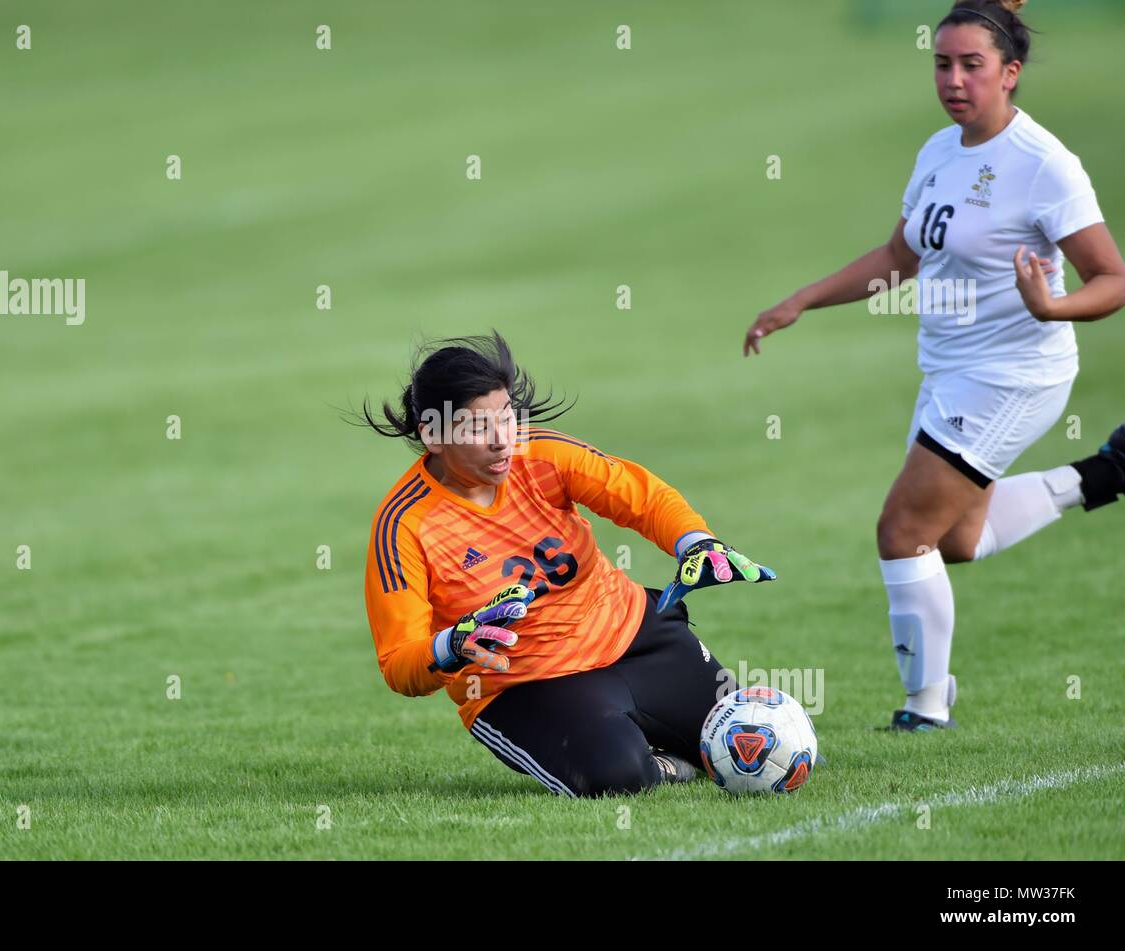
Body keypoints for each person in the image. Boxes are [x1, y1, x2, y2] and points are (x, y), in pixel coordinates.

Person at [743, 0, 1125, 730]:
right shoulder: (939, 151)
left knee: (901, 529)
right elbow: (898, 258)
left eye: (971, 65)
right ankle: (1107, 473)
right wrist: (802, 300)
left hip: (1015, 372)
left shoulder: (1045, 165)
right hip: (949, 370)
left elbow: (1112, 278)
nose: (953, 79)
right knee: (955, 540)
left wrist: (1051, 307)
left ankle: (925, 706)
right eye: (942, 63)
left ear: (1010, 74)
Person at [357, 332, 780, 797]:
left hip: (635, 636)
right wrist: (451, 646)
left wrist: (696, 543)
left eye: (505, 417)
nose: (502, 440)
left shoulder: (538, 453)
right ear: (432, 435)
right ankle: (662, 765)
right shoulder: (403, 526)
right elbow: (399, 662)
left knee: (761, 743)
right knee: (616, 776)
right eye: (477, 428)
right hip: (527, 686)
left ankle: (664, 741)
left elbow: (637, 496)